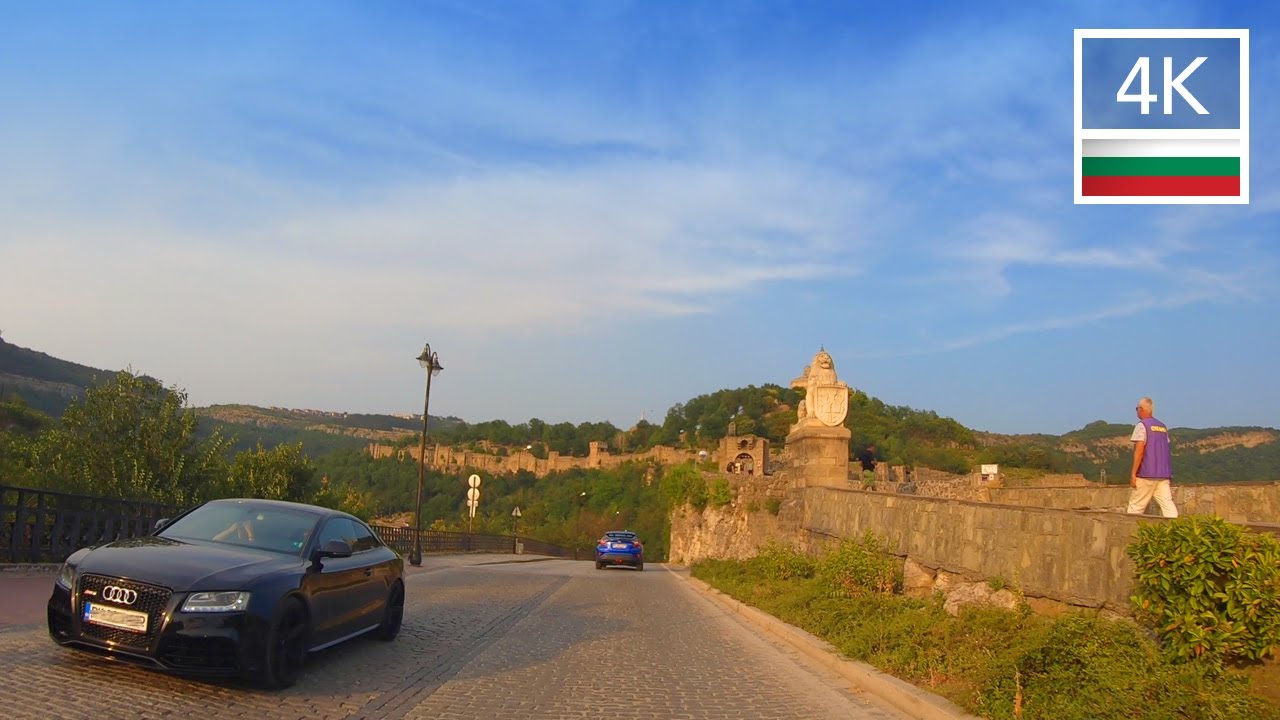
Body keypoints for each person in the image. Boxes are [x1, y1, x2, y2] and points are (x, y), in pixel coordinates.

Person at [1126, 397, 1178, 517]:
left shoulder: (1142, 425)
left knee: (1136, 507)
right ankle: (1175, 531)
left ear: (1141, 409)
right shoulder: (1163, 427)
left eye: (1136, 409)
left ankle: (1132, 533)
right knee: (1168, 506)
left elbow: (1139, 451)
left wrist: (1133, 473)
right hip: (1163, 474)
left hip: (1146, 474)